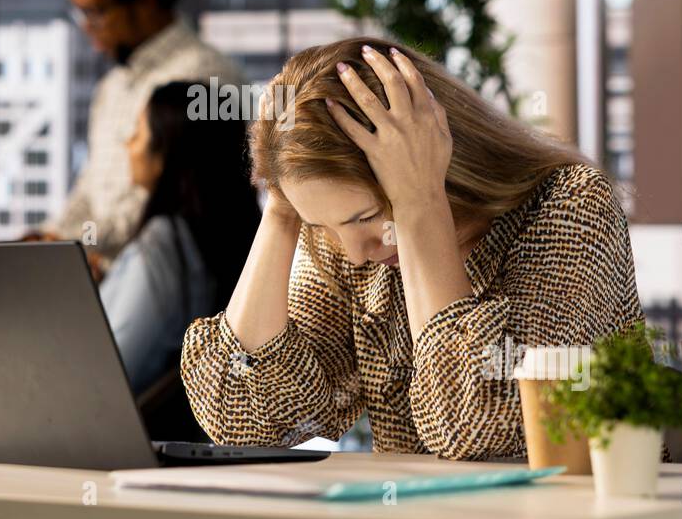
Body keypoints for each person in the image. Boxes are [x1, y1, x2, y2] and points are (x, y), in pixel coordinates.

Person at [180, 36, 647, 461]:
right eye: (322, 225)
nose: (355, 252)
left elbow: (475, 429)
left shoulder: (569, 204)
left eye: (364, 218)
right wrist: (283, 203)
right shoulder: (349, 248)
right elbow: (246, 425)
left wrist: (420, 202)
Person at [43, 0, 243, 269]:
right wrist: (51, 239)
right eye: (80, 13)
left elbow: (164, 205)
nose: (87, 26)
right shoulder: (113, 86)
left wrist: (69, 248)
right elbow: (91, 188)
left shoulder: (205, 80)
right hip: (100, 271)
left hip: (158, 283)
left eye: (97, 11)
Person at [99, 81, 260, 398]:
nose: (128, 144)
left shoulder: (162, 245)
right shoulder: (224, 242)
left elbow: (107, 373)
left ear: (166, 153)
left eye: (138, 132)